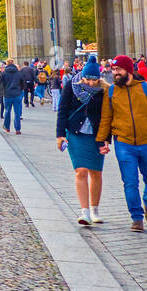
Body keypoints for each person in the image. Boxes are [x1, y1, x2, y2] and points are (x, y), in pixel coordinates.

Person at [96, 54, 147, 232]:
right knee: (130, 182)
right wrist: (102, 140)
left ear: (128, 70)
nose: (115, 73)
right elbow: (106, 118)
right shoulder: (112, 92)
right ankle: (136, 218)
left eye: (118, 70)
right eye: (113, 70)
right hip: (123, 143)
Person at [56, 55, 107, 226]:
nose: (91, 83)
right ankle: (84, 211)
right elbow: (62, 110)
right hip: (75, 133)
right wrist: (59, 134)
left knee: (96, 172)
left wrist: (106, 139)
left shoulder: (104, 90)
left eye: (94, 80)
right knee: (81, 171)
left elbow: (108, 116)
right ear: (82, 76)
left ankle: (94, 209)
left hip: (96, 135)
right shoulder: (71, 86)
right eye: (88, 79)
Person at [0, 58, 25, 134]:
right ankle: (17, 129)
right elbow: (23, 84)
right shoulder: (18, 73)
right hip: (17, 95)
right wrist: (20, 89)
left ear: (6, 64)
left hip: (7, 95)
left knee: (7, 111)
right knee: (17, 112)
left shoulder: (3, 73)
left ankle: (7, 127)